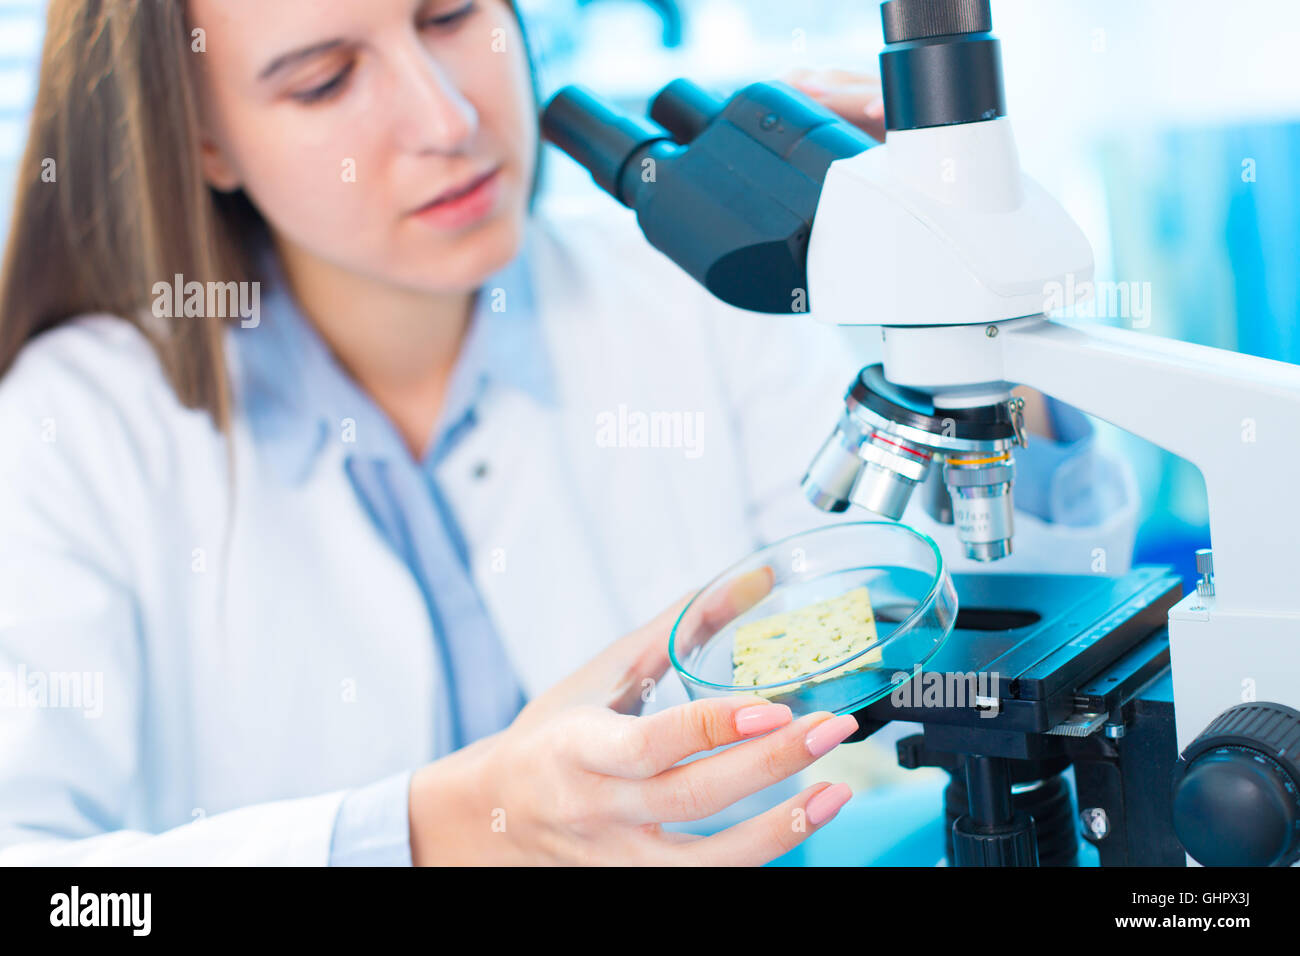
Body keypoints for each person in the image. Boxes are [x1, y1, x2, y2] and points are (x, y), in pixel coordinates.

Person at [0, 0, 1138, 865]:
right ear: (205, 142)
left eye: (451, 14)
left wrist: (977, 321)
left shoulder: (688, 307)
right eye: (326, 78)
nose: (445, 119)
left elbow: (959, 628)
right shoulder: (78, 431)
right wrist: (435, 828)